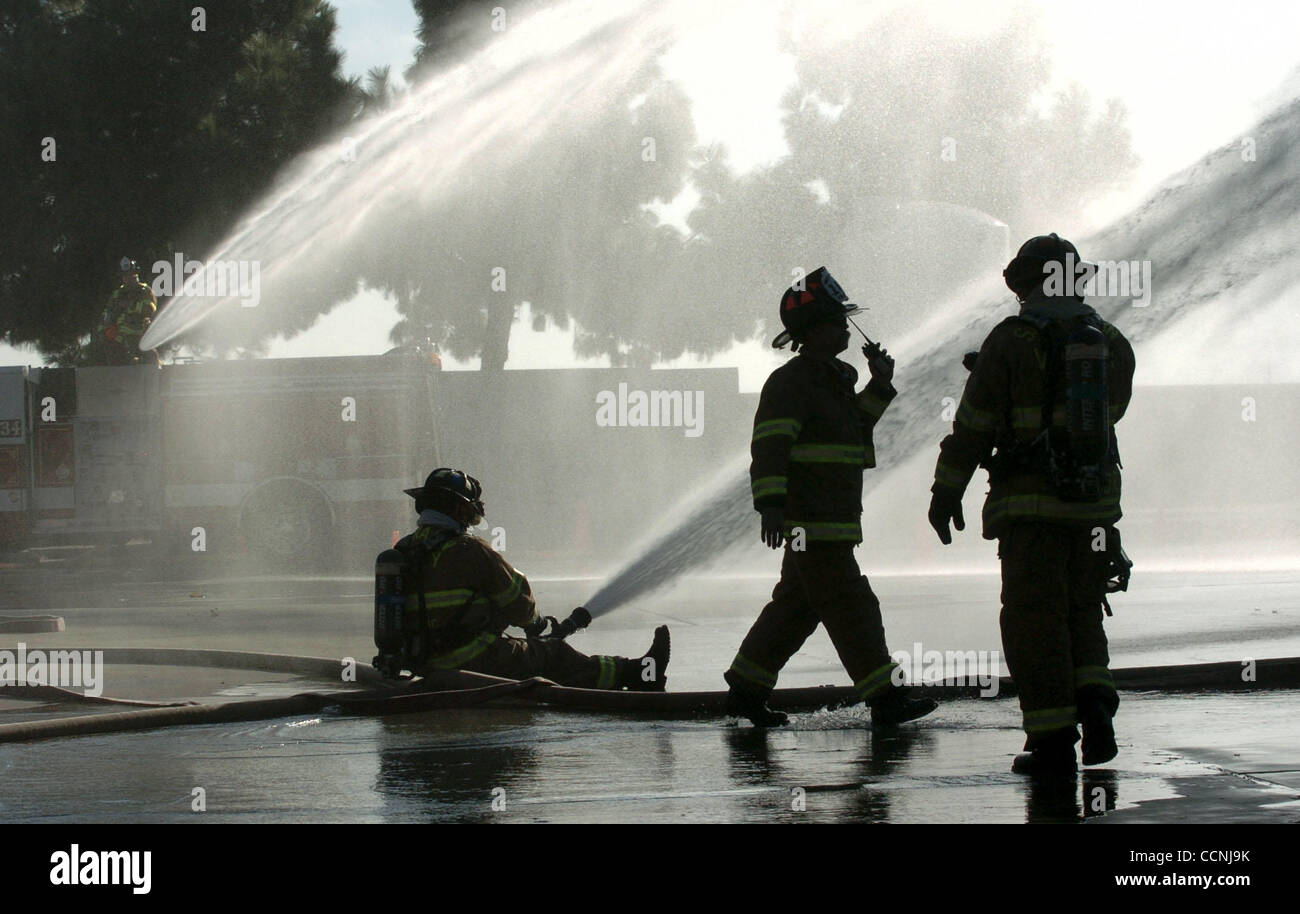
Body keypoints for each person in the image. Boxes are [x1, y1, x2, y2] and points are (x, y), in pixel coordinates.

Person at [927, 233, 1135, 775]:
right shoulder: (1110, 341)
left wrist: (947, 491)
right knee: (1083, 613)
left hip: (1031, 512)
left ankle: (1051, 741)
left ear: (1026, 285)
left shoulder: (1011, 340)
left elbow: (972, 427)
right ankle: (1096, 711)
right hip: (1092, 511)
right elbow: (1111, 414)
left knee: (1034, 622)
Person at [723, 267, 938, 728]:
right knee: (852, 605)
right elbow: (769, 448)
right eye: (837, 323)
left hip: (834, 519)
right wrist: (772, 507)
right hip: (809, 524)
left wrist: (879, 385)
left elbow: (856, 434)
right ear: (813, 331)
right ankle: (886, 697)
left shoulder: (834, 380)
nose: (845, 329)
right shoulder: (791, 383)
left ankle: (746, 687)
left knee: (797, 608)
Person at [397, 468, 670, 690]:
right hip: (472, 661)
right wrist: (537, 625)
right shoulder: (470, 550)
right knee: (552, 654)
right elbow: (518, 601)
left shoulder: (404, 550)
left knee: (532, 650)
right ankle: (638, 675)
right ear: (459, 509)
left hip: (425, 661)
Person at [99, 257, 158, 365]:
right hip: (121, 340)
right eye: (125, 275)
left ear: (136, 274)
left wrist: (130, 305)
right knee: (115, 360)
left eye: (131, 274)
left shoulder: (145, 291)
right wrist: (103, 331)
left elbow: (150, 309)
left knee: (152, 358)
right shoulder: (117, 295)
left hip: (142, 338)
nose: (128, 278)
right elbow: (106, 315)